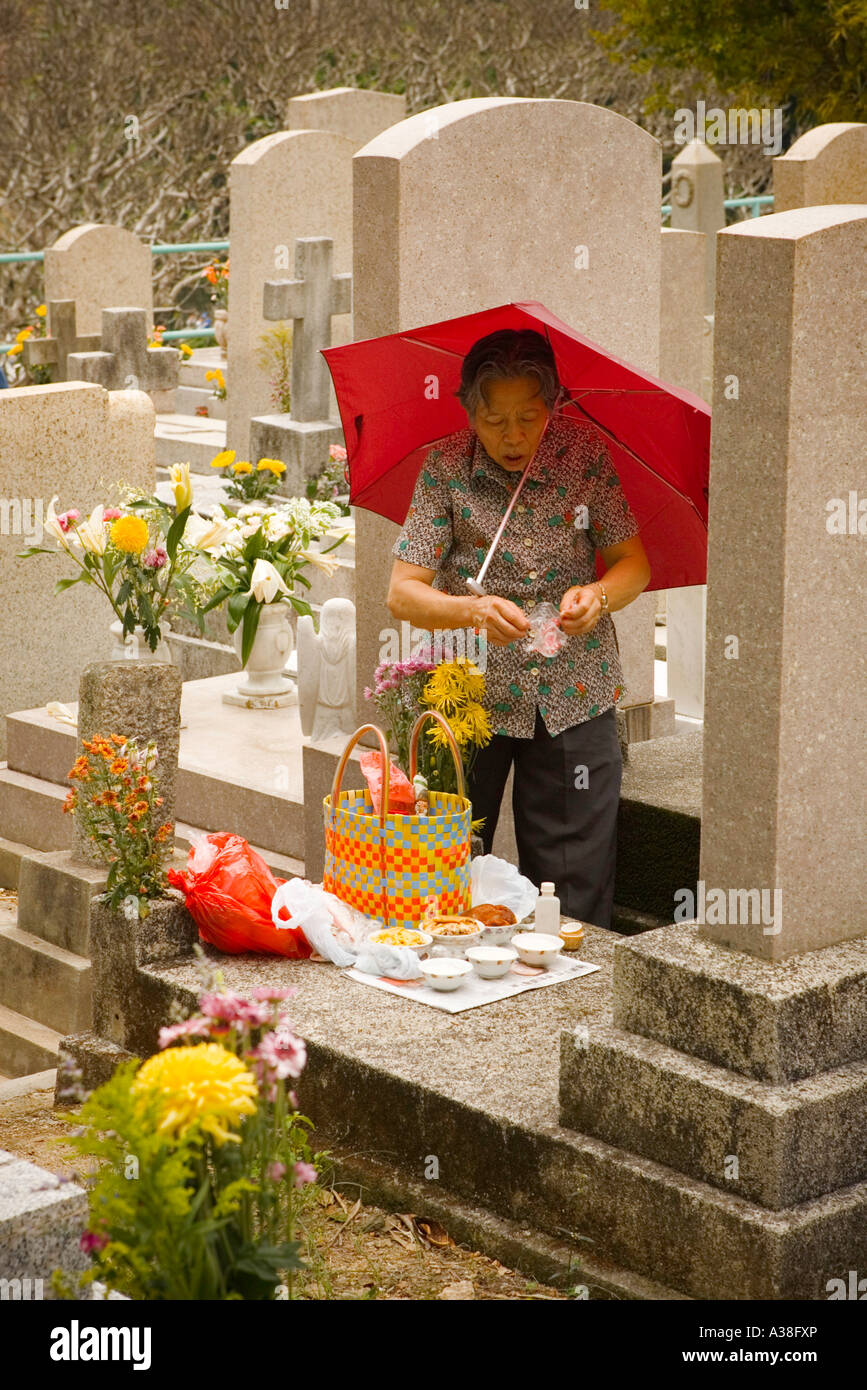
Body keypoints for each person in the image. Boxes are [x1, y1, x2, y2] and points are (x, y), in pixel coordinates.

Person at [386, 328, 650, 929]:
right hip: (468, 692)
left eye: (528, 417)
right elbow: (402, 593)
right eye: (493, 419)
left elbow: (634, 564)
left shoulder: (583, 456)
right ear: (467, 411)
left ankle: (571, 999)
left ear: (553, 404)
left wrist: (600, 596)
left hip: (574, 690)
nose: (512, 436)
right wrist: (473, 611)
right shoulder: (447, 468)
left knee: (573, 874)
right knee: (445, 858)